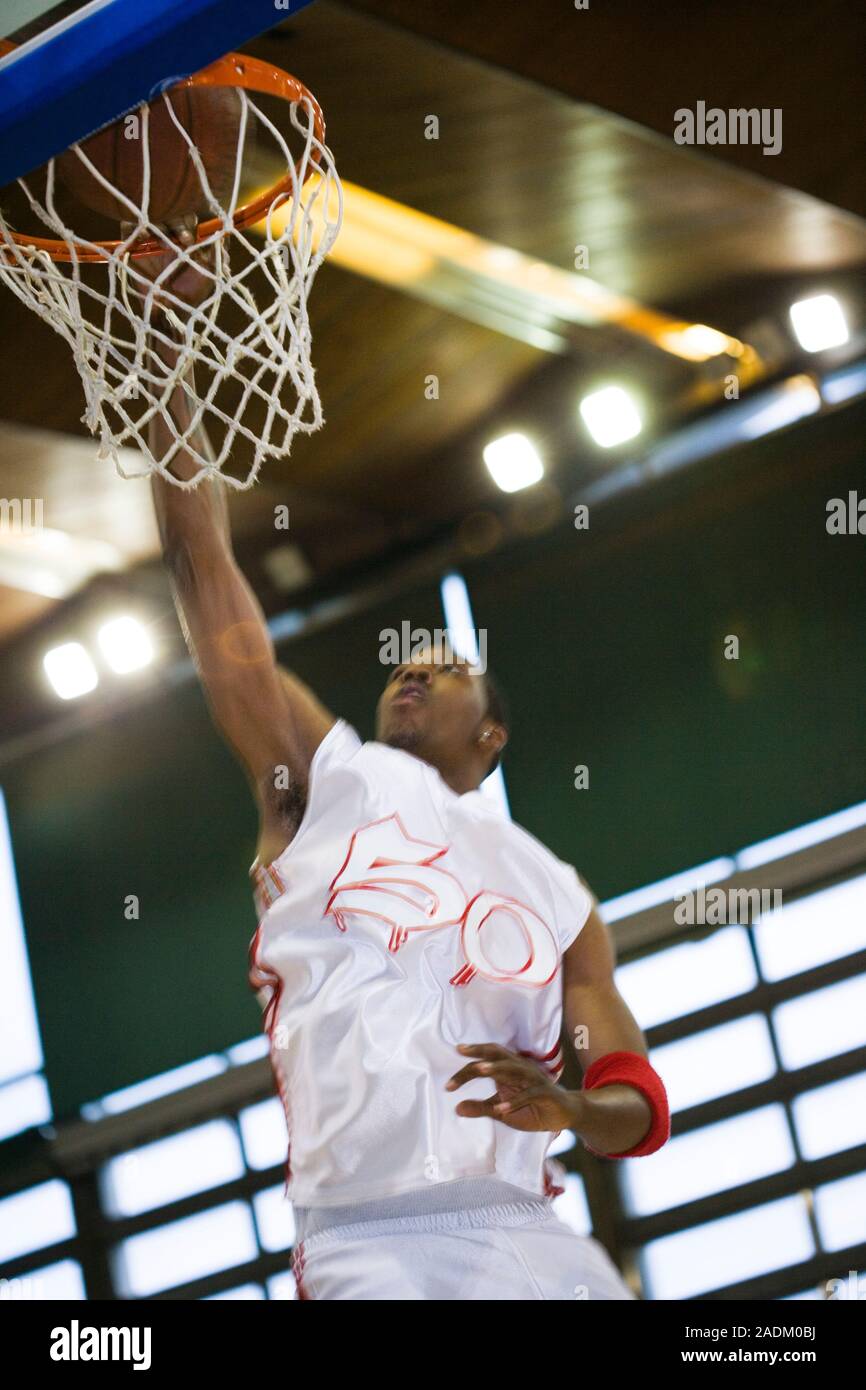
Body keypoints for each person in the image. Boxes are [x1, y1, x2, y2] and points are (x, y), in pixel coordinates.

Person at [144, 228, 669, 1300]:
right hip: (372, 1235)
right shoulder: (319, 777)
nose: (411, 676)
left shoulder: (561, 900)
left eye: (442, 667)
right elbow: (206, 577)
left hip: (529, 1226)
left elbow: (634, 1103)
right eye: (402, 669)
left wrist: (570, 1107)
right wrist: (163, 354)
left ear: (493, 735)